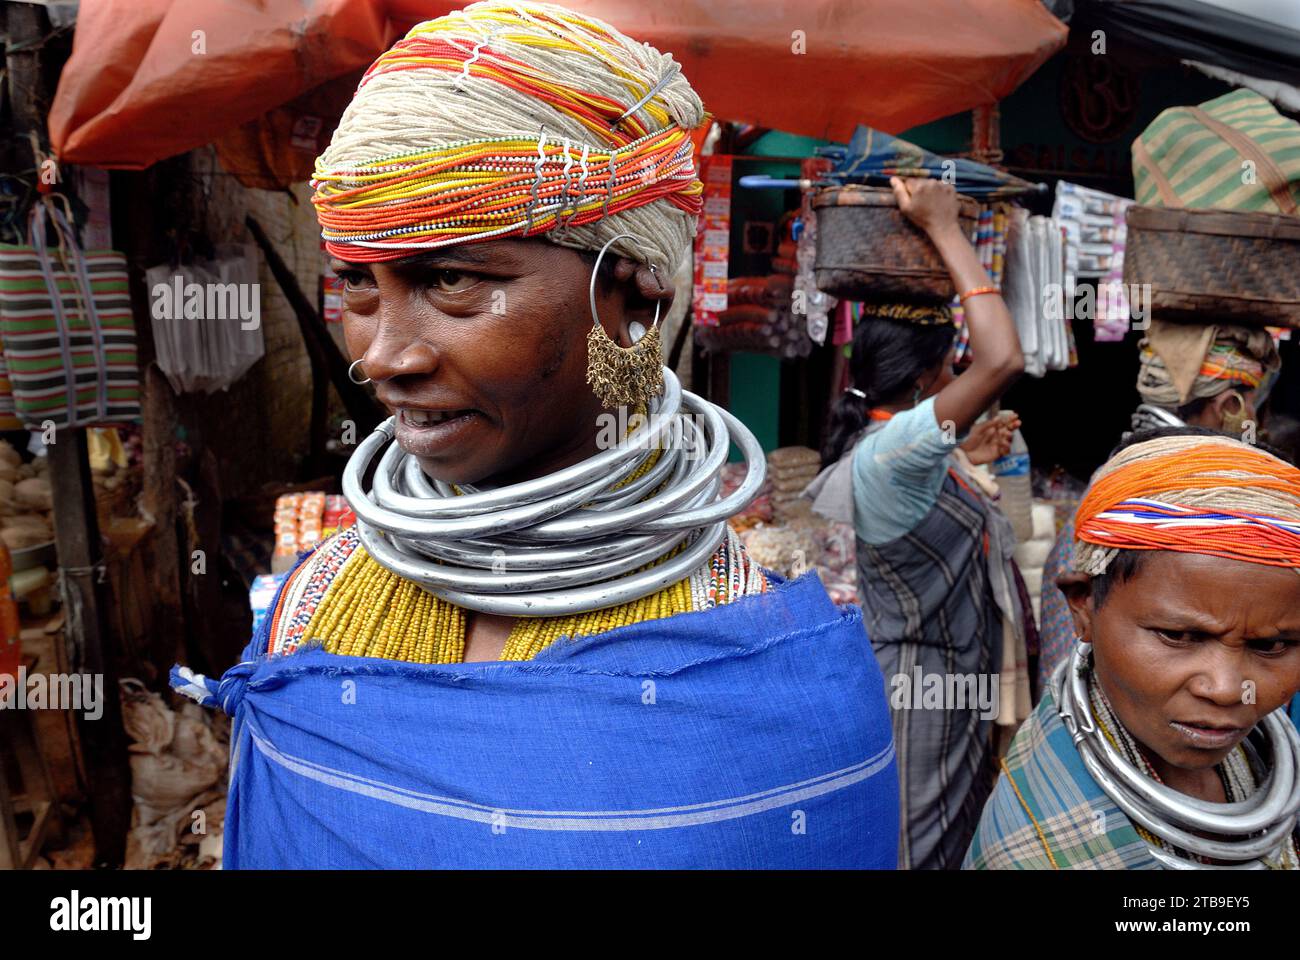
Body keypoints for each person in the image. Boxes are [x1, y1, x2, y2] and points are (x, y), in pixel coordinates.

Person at [170, 0, 898, 869]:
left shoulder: (765, 680)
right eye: (360, 286)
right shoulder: (308, 616)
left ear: (635, 301)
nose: (383, 357)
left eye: (449, 280)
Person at [806, 177, 1027, 869]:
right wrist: (945, 229)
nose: (964, 372)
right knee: (915, 854)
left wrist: (962, 452)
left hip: (944, 685)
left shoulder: (894, 444)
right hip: (920, 696)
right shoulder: (898, 450)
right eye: (952, 366)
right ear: (934, 374)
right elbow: (1003, 358)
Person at [966, 429, 1300, 870]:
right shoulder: (1037, 852)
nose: (1225, 689)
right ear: (1084, 606)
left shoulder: (1251, 754)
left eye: (1271, 645)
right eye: (1178, 636)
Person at [1037, 322, 1282, 691]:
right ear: (1227, 407)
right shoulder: (1178, 487)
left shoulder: (1129, 469)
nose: (1255, 418)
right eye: (1250, 404)